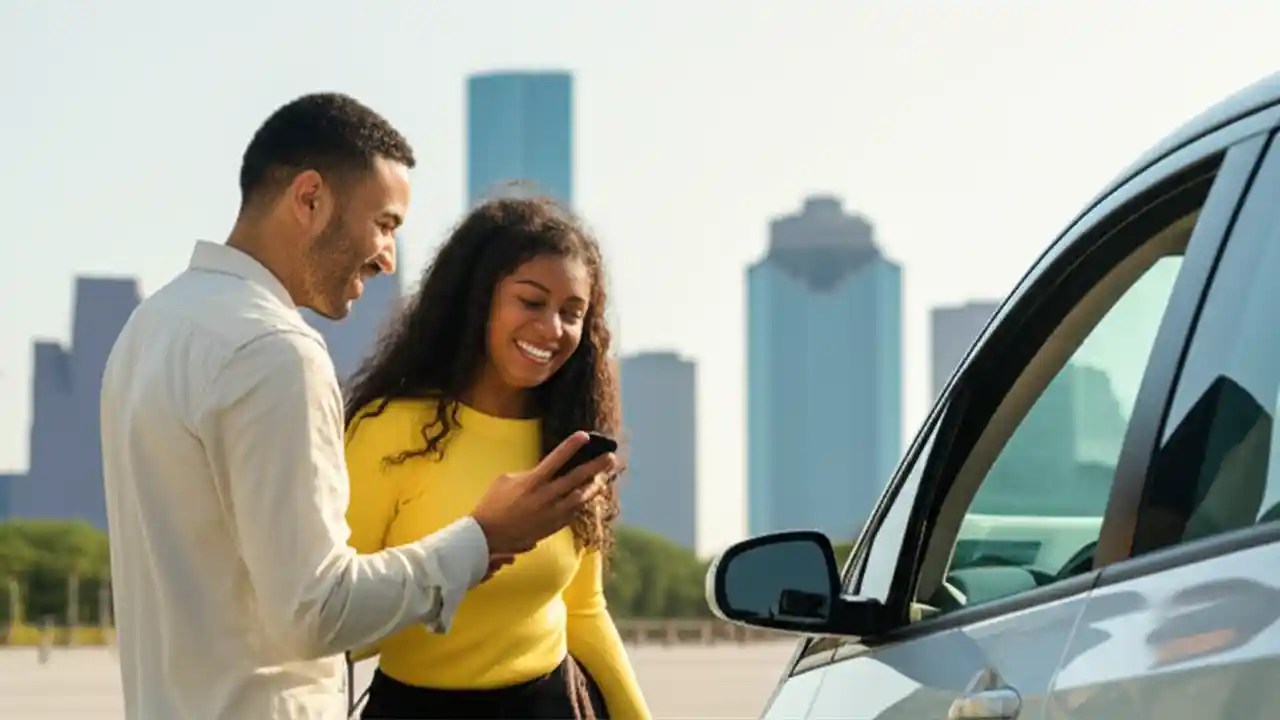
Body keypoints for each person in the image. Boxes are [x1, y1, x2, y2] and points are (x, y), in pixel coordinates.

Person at [99, 94, 616, 720]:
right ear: (310, 198)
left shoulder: (149, 328)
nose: (388, 257)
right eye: (386, 223)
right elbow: (317, 614)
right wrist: (484, 538)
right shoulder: (276, 354)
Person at [342, 197, 651, 720]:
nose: (552, 329)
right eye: (531, 302)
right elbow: (341, 626)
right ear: (477, 299)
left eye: (572, 314)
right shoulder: (385, 429)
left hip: (550, 705)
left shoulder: (569, 445)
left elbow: (583, 610)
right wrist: (468, 554)